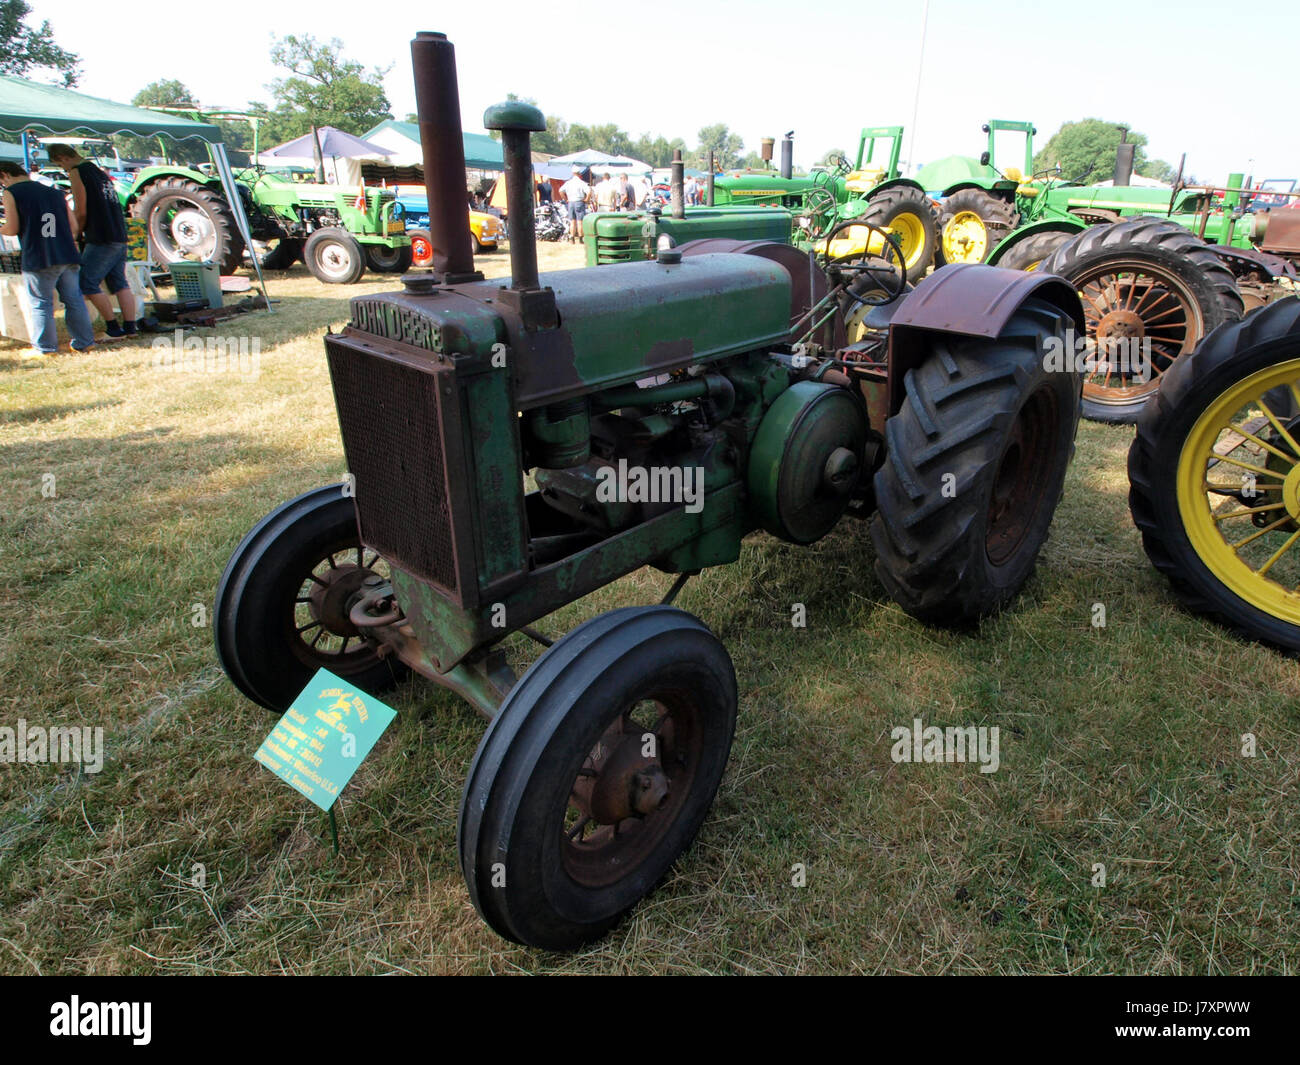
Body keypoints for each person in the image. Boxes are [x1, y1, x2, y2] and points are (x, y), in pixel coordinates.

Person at [0, 160, 95, 358]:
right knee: (74, 300)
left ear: (5, 175)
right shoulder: (54, 192)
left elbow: (12, 228)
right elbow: (74, 227)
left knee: (41, 303)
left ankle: (45, 348)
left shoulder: (12, 193)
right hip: (67, 253)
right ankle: (85, 343)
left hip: (39, 255)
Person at [46, 143, 138, 339]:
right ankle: (131, 327)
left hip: (100, 236)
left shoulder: (78, 172)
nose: (63, 170)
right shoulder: (99, 171)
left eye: (60, 165)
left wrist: (75, 233)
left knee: (87, 283)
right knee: (119, 282)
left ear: (63, 158)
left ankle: (113, 327)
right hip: (118, 234)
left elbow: (81, 209)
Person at [559, 167, 590, 244]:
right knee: (580, 221)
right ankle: (580, 238)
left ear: (572, 173)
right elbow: (589, 191)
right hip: (579, 201)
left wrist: (565, 199)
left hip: (571, 202)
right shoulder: (582, 183)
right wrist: (586, 199)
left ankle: (572, 238)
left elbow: (560, 191)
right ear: (579, 173)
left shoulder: (568, 183)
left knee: (572, 221)